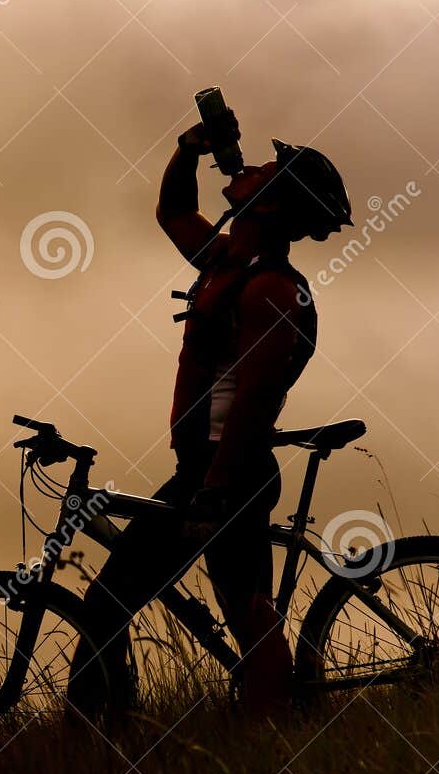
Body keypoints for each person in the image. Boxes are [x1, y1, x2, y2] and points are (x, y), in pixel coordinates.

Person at [70, 110, 353, 714]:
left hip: (230, 472)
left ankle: (268, 739)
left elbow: (253, 399)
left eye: (267, 170)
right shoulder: (232, 263)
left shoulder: (270, 289)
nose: (250, 165)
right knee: (237, 611)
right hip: (213, 469)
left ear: (272, 204)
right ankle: (262, 731)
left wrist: (218, 487)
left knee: (226, 614)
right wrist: (187, 149)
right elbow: (173, 213)